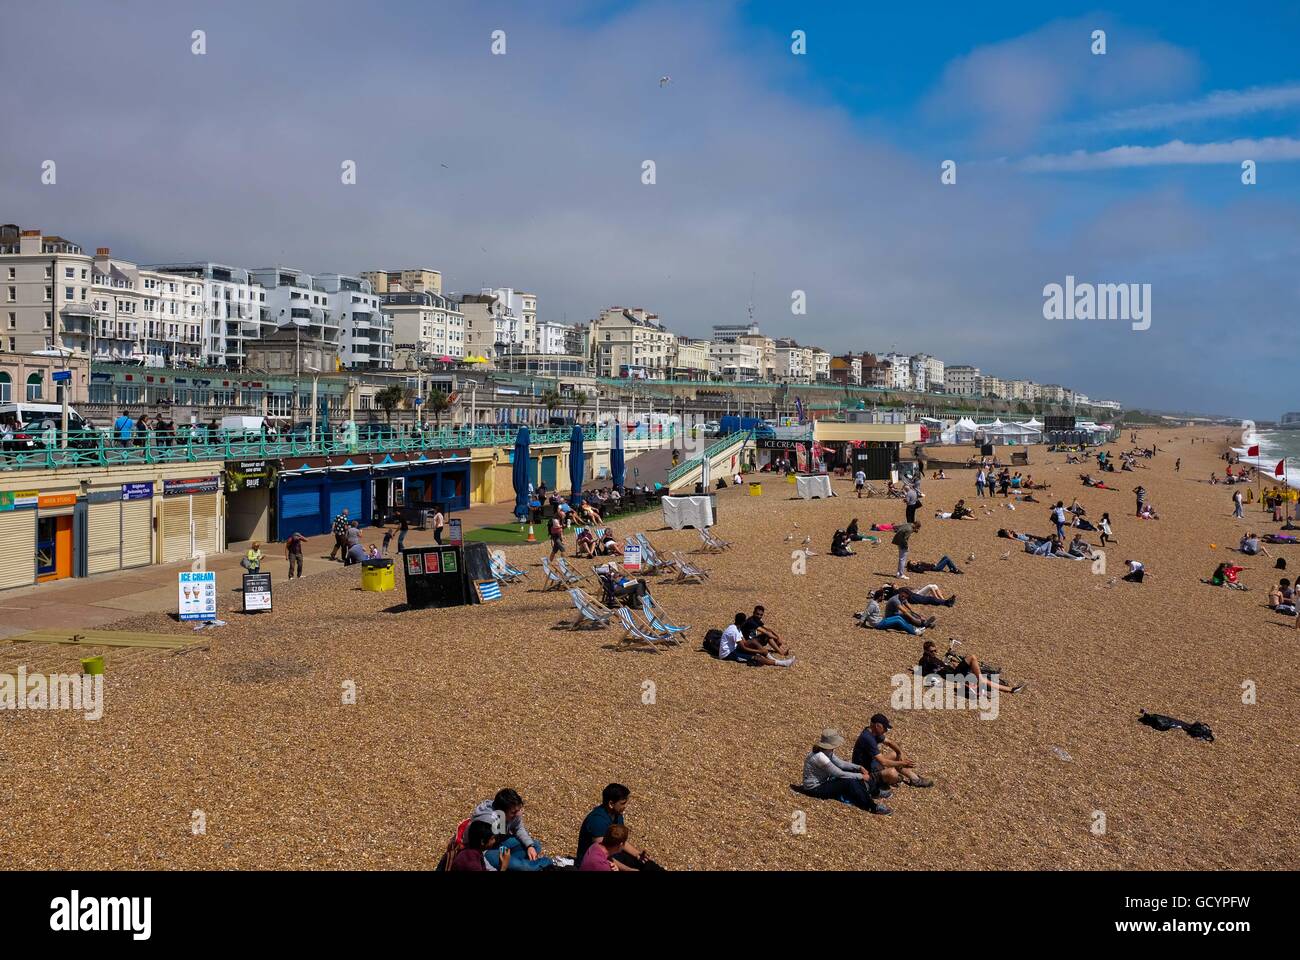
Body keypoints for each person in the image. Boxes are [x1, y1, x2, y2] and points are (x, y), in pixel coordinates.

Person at [800, 728, 890, 815]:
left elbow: (841, 764)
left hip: (823, 782)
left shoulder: (826, 751)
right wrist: (861, 776)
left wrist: (858, 767)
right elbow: (839, 773)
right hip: (814, 789)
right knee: (849, 781)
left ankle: (874, 792)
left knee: (853, 774)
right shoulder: (820, 757)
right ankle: (872, 807)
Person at [576, 783, 663, 871]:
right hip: (597, 864)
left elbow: (619, 840)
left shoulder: (617, 814)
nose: (625, 806)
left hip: (615, 853)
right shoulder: (597, 821)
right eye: (622, 803)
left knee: (647, 864)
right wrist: (627, 869)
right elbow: (603, 853)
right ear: (611, 804)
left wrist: (637, 854)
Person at [471, 788, 553, 871]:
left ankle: (515, 863)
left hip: (501, 843)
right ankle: (548, 863)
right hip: (487, 851)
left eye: (519, 810)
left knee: (535, 845)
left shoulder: (513, 810)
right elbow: (477, 850)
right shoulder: (487, 821)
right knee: (523, 866)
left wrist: (529, 846)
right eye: (513, 812)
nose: (518, 814)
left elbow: (519, 828)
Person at [852, 714, 931, 791]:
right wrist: (902, 763)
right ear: (877, 726)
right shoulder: (868, 739)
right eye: (885, 728)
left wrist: (899, 752)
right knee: (892, 773)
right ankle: (881, 784)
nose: (886, 731)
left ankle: (915, 779)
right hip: (864, 772)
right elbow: (884, 762)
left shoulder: (872, 732)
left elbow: (889, 742)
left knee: (894, 754)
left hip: (872, 765)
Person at [917, 639, 1025, 695]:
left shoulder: (932, 659)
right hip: (953, 676)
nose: (935, 652)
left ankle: (1011, 689)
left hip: (954, 673)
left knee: (984, 679)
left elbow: (940, 666)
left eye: (935, 650)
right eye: (932, 651)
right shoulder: (925, 660)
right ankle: (981, 680)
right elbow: (923, 671)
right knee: (972, 657)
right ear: (926, 651)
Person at [717, 612, 795, 666]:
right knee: (757, 658)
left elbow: (744, 642)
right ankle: (781, 663)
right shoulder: (734, 631)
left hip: (733, 649)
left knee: (753, 642)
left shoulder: (737, 628)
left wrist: (754, 646)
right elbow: (743, 647)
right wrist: (759, 651)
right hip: (727, 655)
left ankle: (770, 657)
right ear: (743, 622)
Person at [857, 587, 924, 634]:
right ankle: (914, 632)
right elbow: (866, 612)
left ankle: (914, 628)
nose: (883, 598)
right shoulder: (873, 605)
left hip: (880, 620)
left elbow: (868, 613)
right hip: (878, 624)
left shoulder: (873, 602)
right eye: (883, 596)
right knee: (898, 621)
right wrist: (861, 622)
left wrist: (864, 623)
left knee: (899, 618)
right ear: (880, 597)